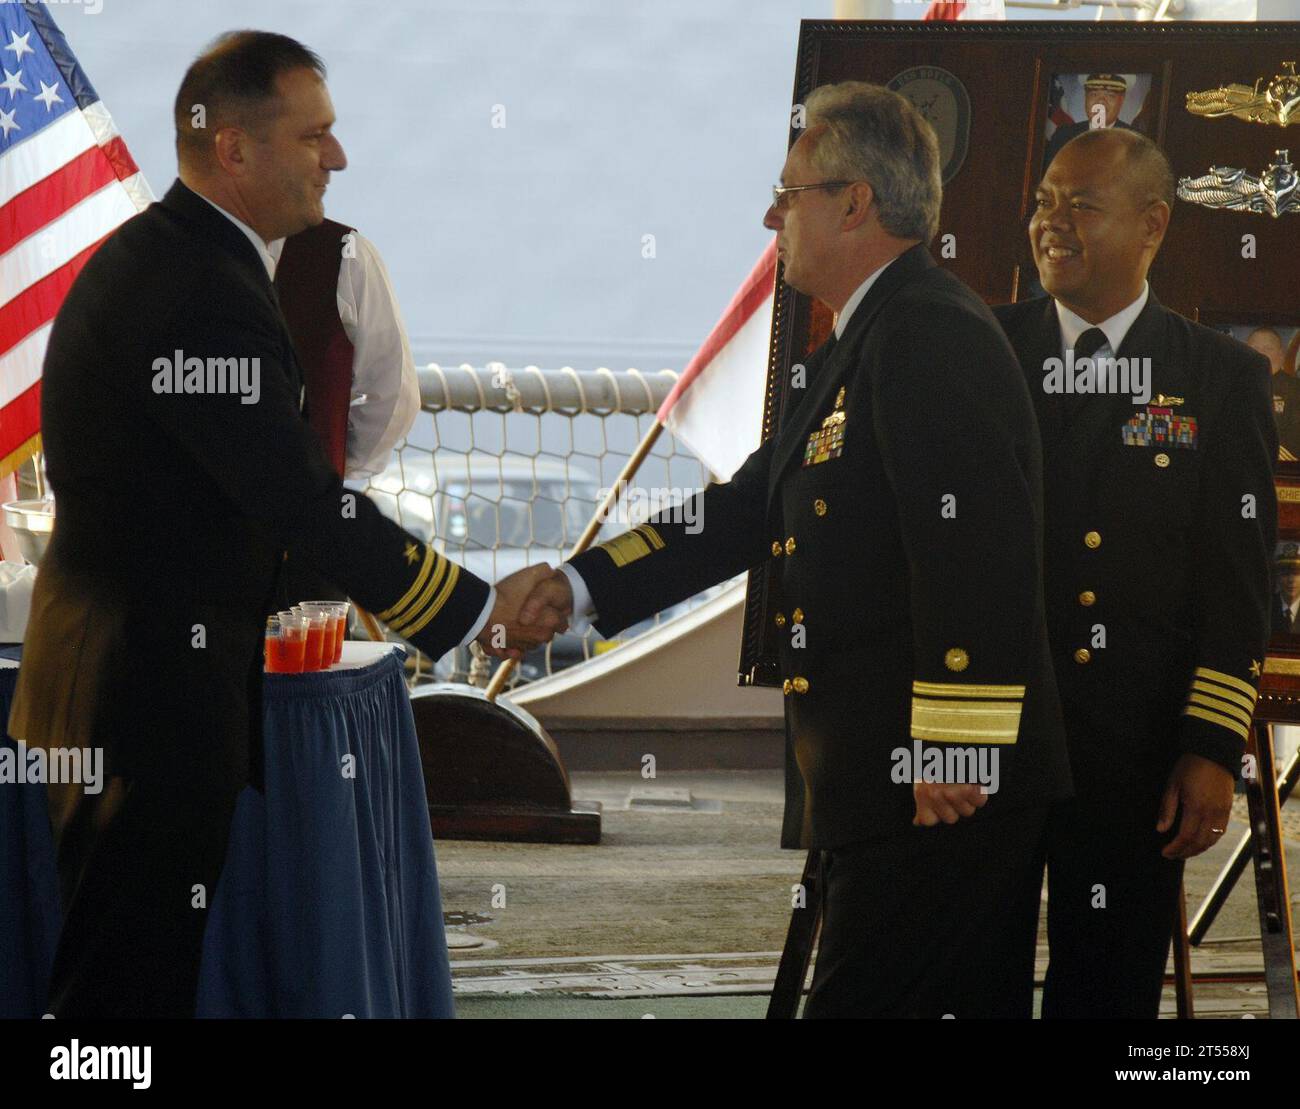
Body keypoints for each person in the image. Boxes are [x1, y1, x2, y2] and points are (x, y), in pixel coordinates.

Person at [6, 31, 563, 1018]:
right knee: (120, 983)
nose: (335, 158)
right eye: (315, 136)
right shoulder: (197, 293)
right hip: (144, 694)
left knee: (132, 965)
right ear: (234, 148)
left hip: (119, 676)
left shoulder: (176, 261)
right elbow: (299, 496)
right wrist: (475, 606)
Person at [519, 81, 1071, 1018]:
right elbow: (741, 511)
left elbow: (975, 541)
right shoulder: (864, 339)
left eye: (789, 193)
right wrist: (577, 585)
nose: (770, 215)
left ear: (854, 201)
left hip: (938, 785)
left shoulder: (927, 333)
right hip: (884, 777)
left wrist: (958, 739)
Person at [994, 127, 1277, 1018]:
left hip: (1134, 754)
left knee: (1108, 990)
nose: (1052, 224)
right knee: (968, 975)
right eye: (1044, 201)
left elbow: (1238, 583)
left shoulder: (1219, 378)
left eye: (1081, 205)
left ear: (1152, 225)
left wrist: (1210, 747)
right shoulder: (983, 350)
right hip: (988, 735)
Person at [268, 219, 422, 605]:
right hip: (304, 543)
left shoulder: (163, 247)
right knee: (309, 660)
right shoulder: (341, 253)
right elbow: (392, 397)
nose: (332, 160)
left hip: (193, 550)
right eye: (311, 152)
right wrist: (331, 461)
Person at [1043, 74, 1136, 172]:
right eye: (1094, 94)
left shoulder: (1136, 141)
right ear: (1085, 98)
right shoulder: (1063, 136)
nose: (1100, 101)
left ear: (1121, 100)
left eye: (1110, 96)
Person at [1246, 326, 1300, 461]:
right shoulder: (1231, 386)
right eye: (1254, 347)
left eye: (1268, 348)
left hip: (1284, 468)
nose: (1260, 353)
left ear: (1281, 354)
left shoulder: (1296, 389)